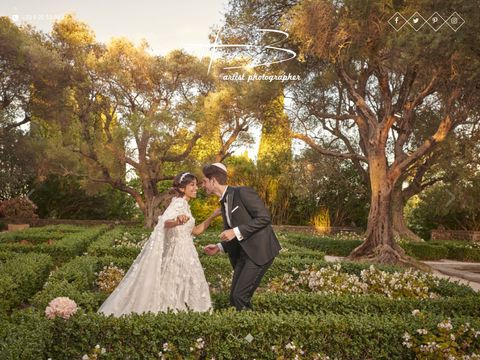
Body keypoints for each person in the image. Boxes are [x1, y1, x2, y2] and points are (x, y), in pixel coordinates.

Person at [98, 172, 220, 316]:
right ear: (182, 189)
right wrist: (176, 221)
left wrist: (213, 215)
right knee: (175, 289)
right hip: (177, 256)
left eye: (196, 185)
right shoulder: (178, 203)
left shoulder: (185, 205)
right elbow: (165, 222)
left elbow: (195, 231)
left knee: (183, 288)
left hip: (188, 254)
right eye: (192, 185)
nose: (196, 188)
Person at [202, 163, 282, 311]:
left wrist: (235, 231)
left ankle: (251, 334)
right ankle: (246, 333)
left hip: (259, 252)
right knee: (234, 297)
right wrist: (219, 247)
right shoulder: (223, 203)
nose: (202, 185)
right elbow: (235, 234)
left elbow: (264, 218)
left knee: (239, 297)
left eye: (204, 181)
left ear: (213, 181)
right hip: (244, 255)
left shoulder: (242, 192)